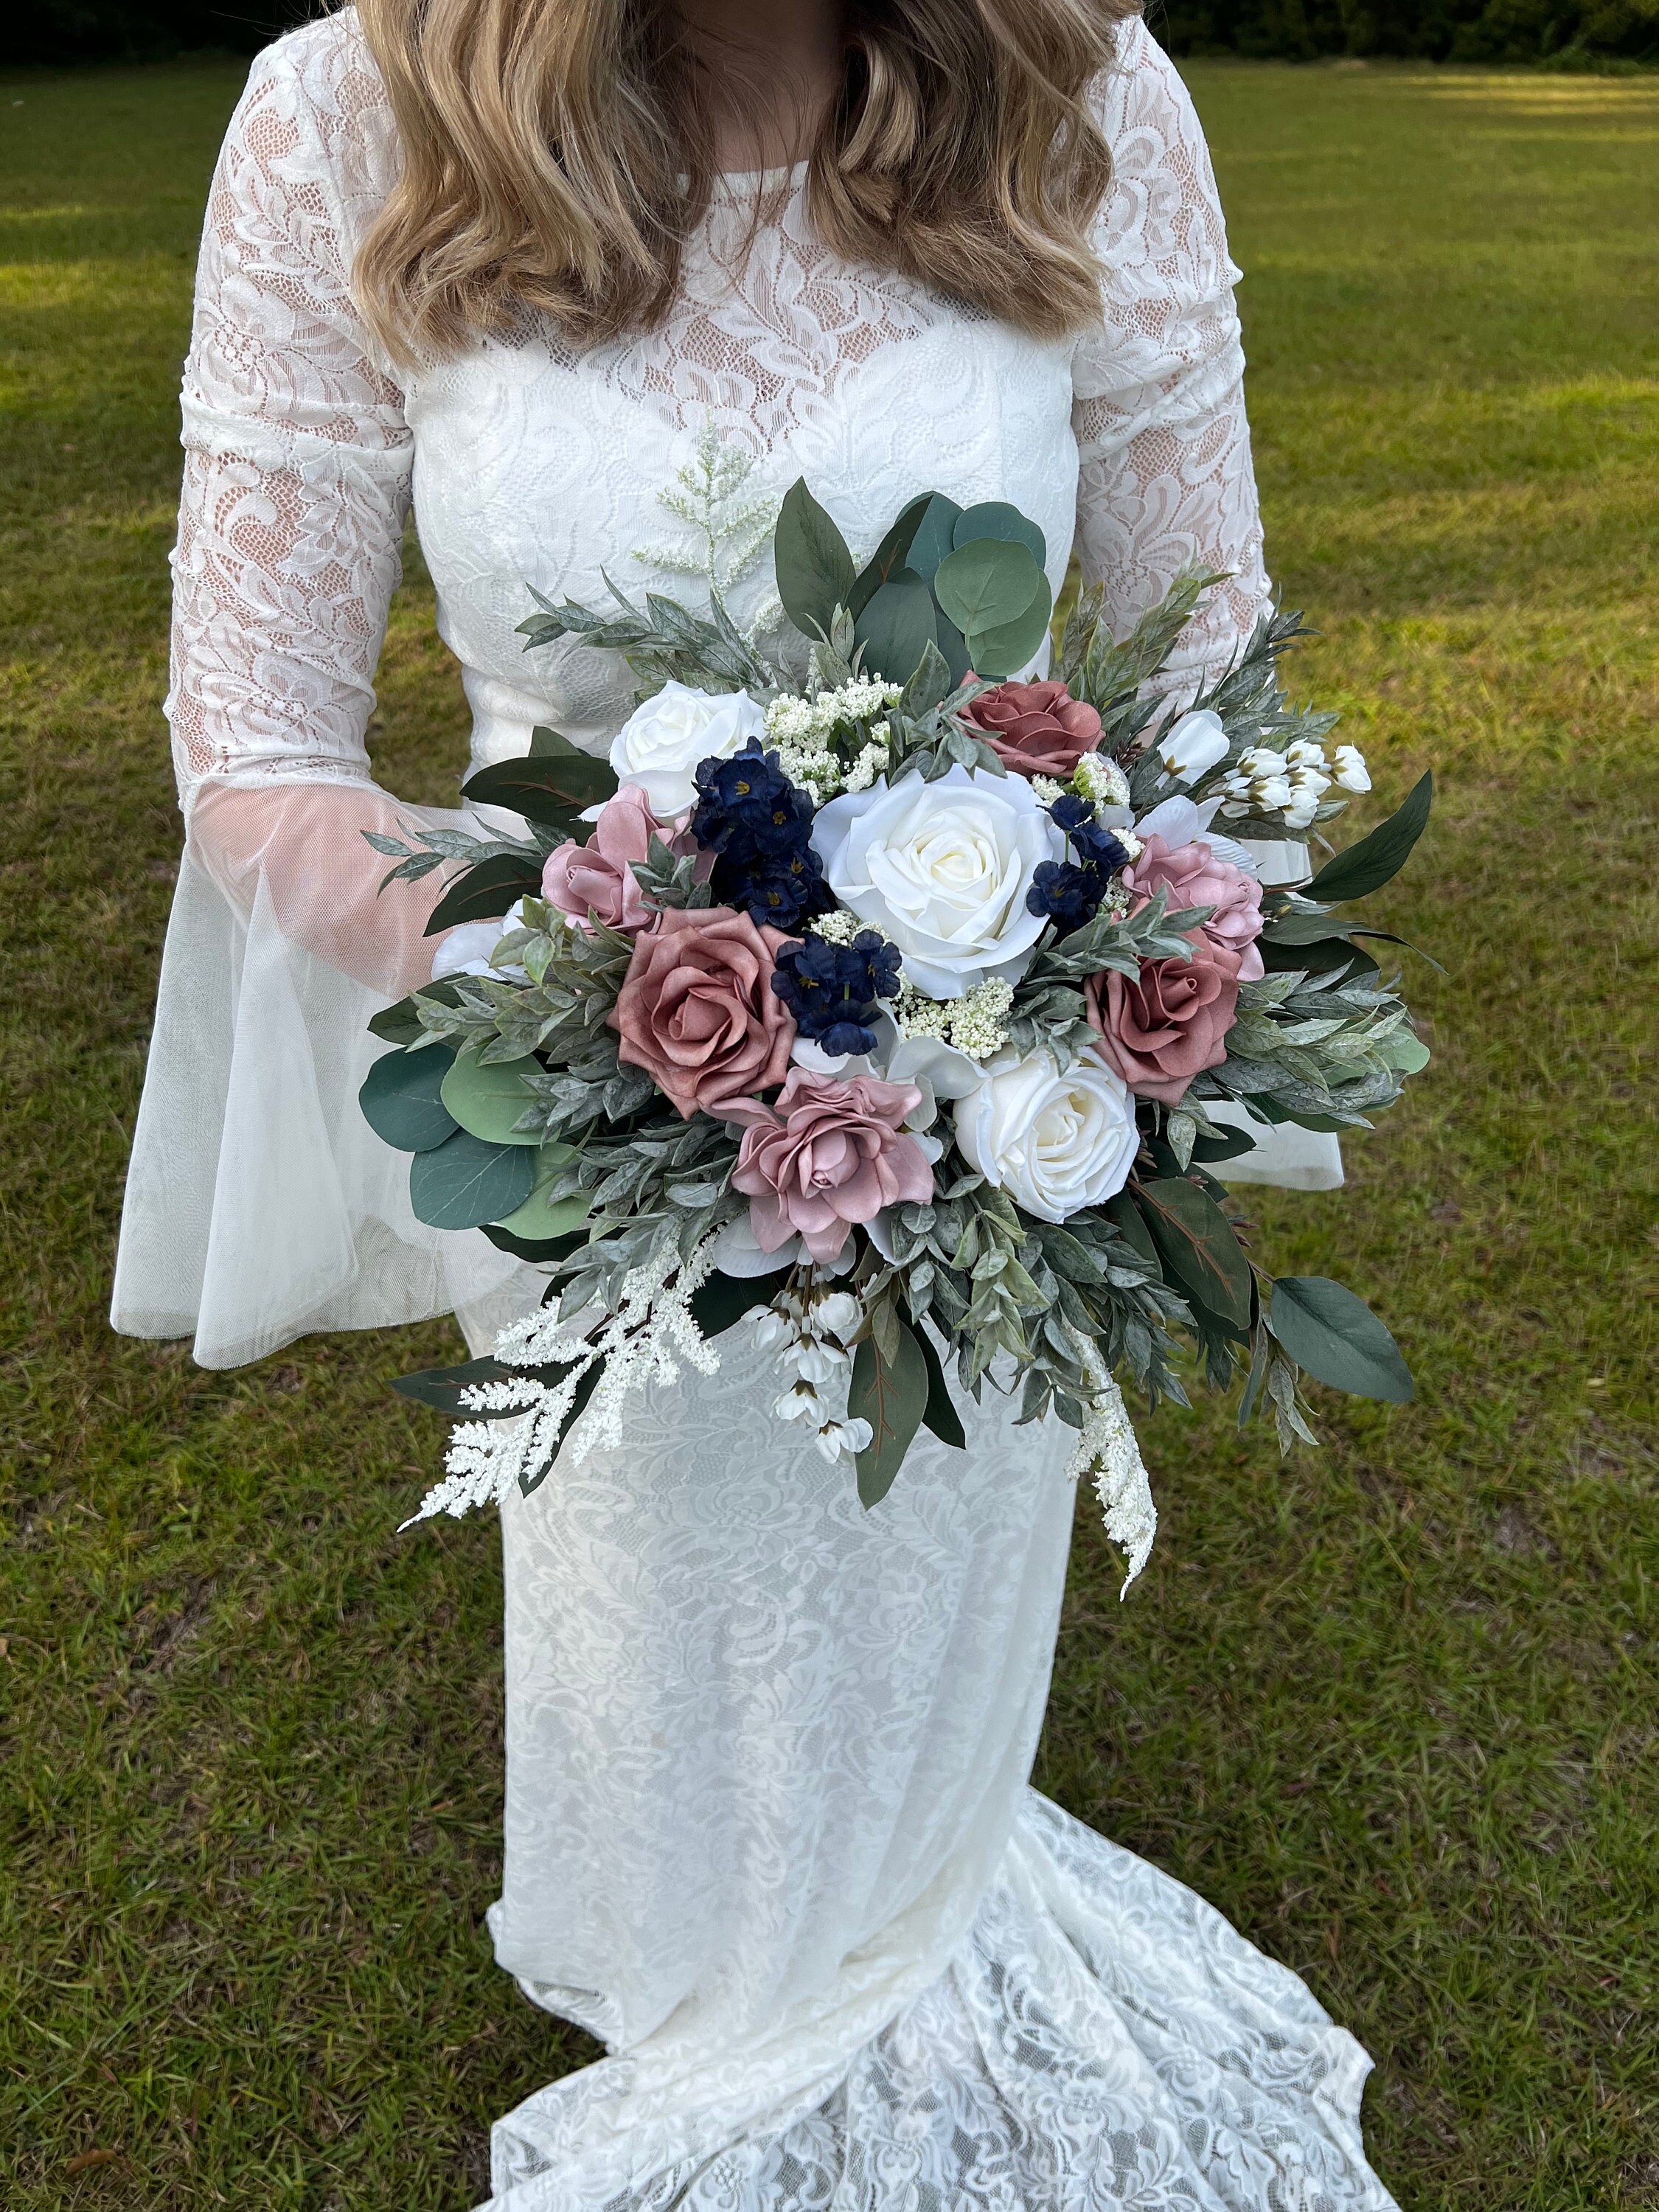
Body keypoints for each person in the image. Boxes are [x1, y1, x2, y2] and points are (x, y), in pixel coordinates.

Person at [113, 0, 1397, 2200]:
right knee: (664, 1621)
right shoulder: (346, 112)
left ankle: (888, 1915)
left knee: (916, 1589)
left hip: (982, 1099)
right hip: (586, 1090)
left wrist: (1046, 976)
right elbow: (254, 750)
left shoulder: (1083, 88)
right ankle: (706, 1969)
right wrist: (611, 991)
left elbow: (1204, 669)